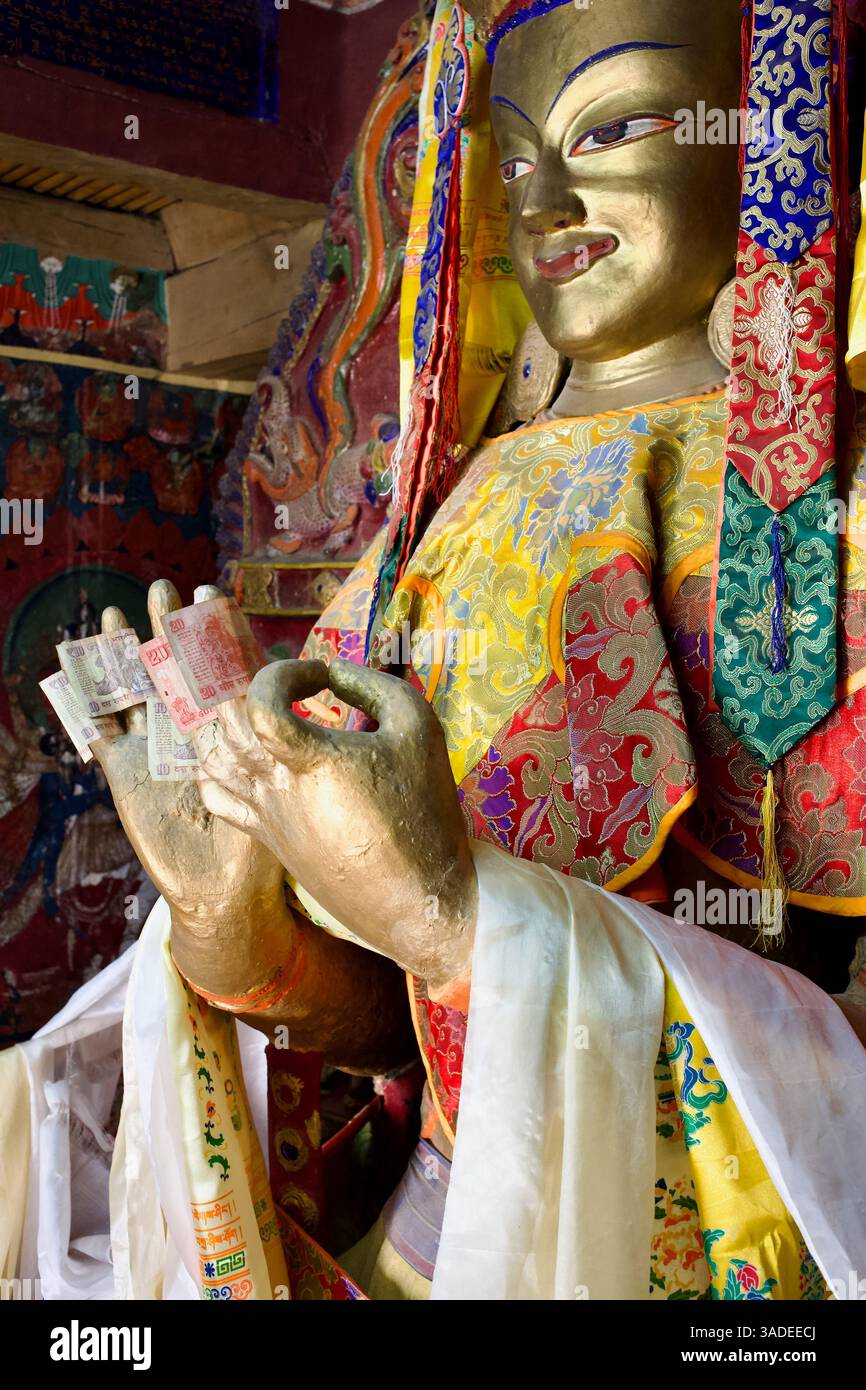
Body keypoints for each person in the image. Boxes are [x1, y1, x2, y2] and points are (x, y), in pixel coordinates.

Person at [3, 0, 866, 1301]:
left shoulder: (833, 509)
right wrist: (240, 929)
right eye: (514, 159)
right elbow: (389, 1026)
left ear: (771, 141)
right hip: (434, 1230)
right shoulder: (451, 523)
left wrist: (459, 921)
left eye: (616, 125)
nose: (546, 201)